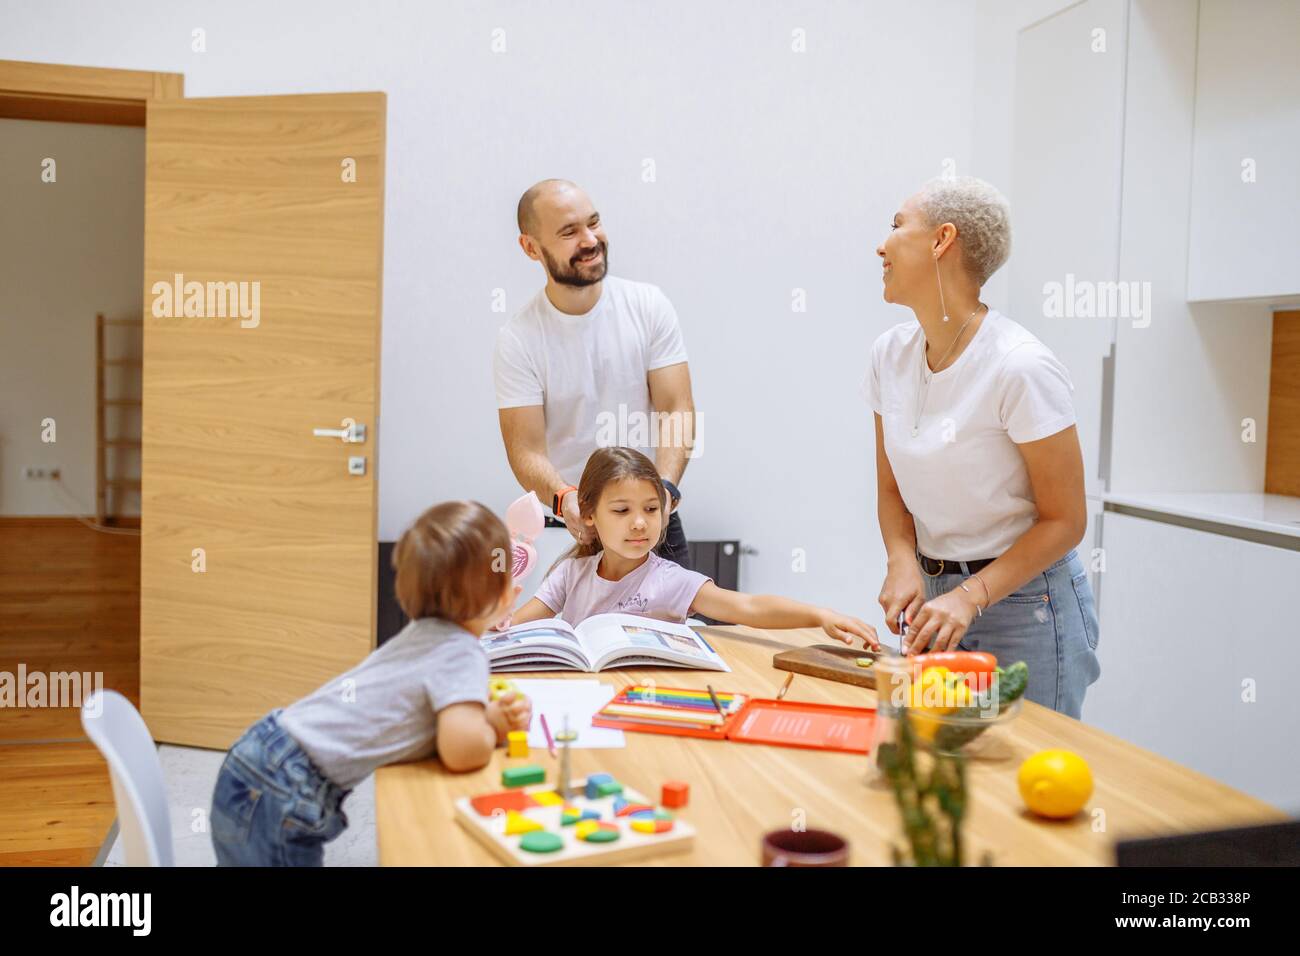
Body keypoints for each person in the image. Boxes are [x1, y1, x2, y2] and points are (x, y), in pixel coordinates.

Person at [866, 176, 1100, 717]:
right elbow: (889, 486)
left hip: (1026, 605)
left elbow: (1065, 520)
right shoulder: (889, 355)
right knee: (935, 766)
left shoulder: (1020, 366)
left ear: (941, 240)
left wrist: (971, 598)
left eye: (897, 226)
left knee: (1027, 778)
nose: (882, 245)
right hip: (933, 600)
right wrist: (902, 561)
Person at [209, 501, 532, 865]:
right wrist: (496, 724)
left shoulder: (421, 635)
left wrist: (481, 713)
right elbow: (461, 750)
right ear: (505, 595)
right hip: (281, 786)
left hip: (261, 757)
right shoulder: (461, 651)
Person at [495, 178, 696, 568]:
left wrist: (665, 491)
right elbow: (526, 451)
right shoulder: (518, 339)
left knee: (676, 629)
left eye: (594, 222)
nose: (589, 240)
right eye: (569, 232)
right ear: (530, 247)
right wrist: (565, 498)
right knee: (567, 630)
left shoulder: (649, 306)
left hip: (653, 520)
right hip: (570, 524)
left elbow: (676, 409)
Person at [506, 447, 878, 649]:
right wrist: (493, 615)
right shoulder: (570, 574)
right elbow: (513, 627)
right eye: (622, 510)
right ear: (588, 515)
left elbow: (747, 606)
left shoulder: (671, 580)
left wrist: (821, 615)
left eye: (651, 510)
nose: (640, 522)